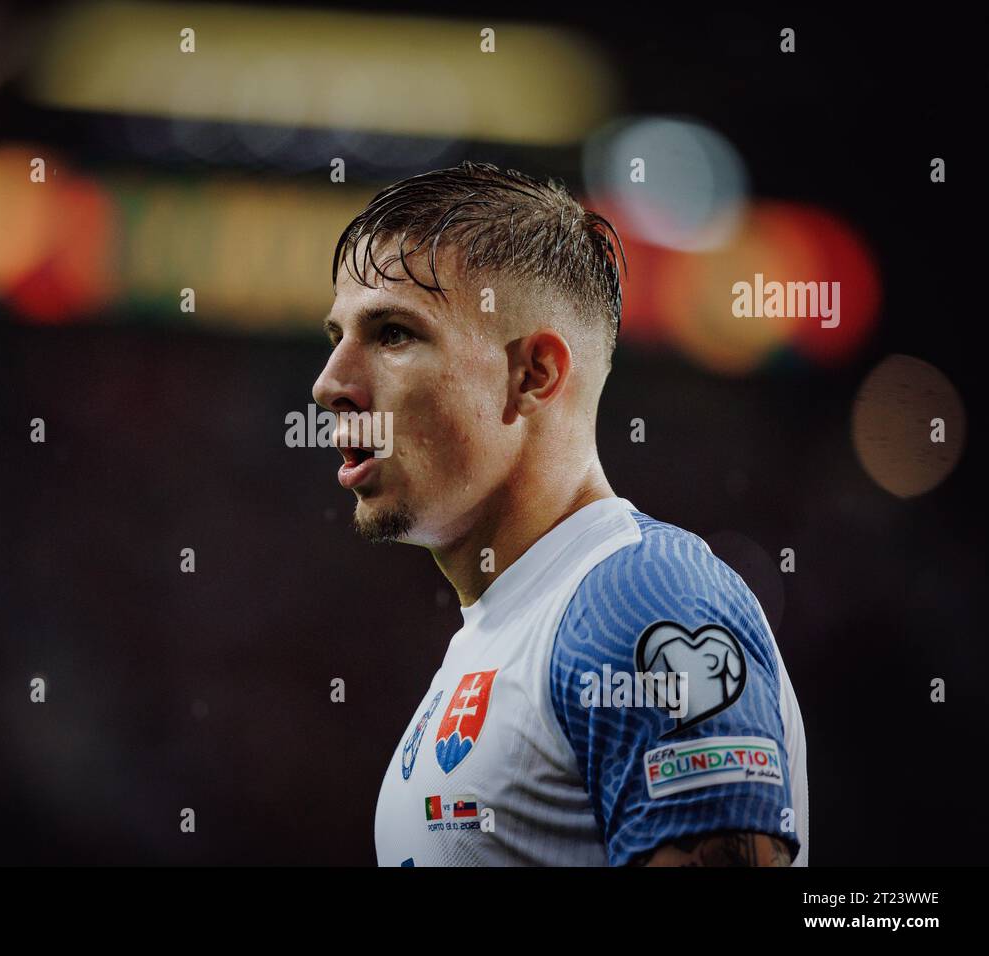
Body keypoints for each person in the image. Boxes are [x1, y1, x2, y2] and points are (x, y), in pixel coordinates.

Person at [312, 161, 807, 866]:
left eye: (392, 334)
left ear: (533, 375)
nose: (330, 383)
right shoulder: (516, 622)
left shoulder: (640, 603)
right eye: (337, 337)